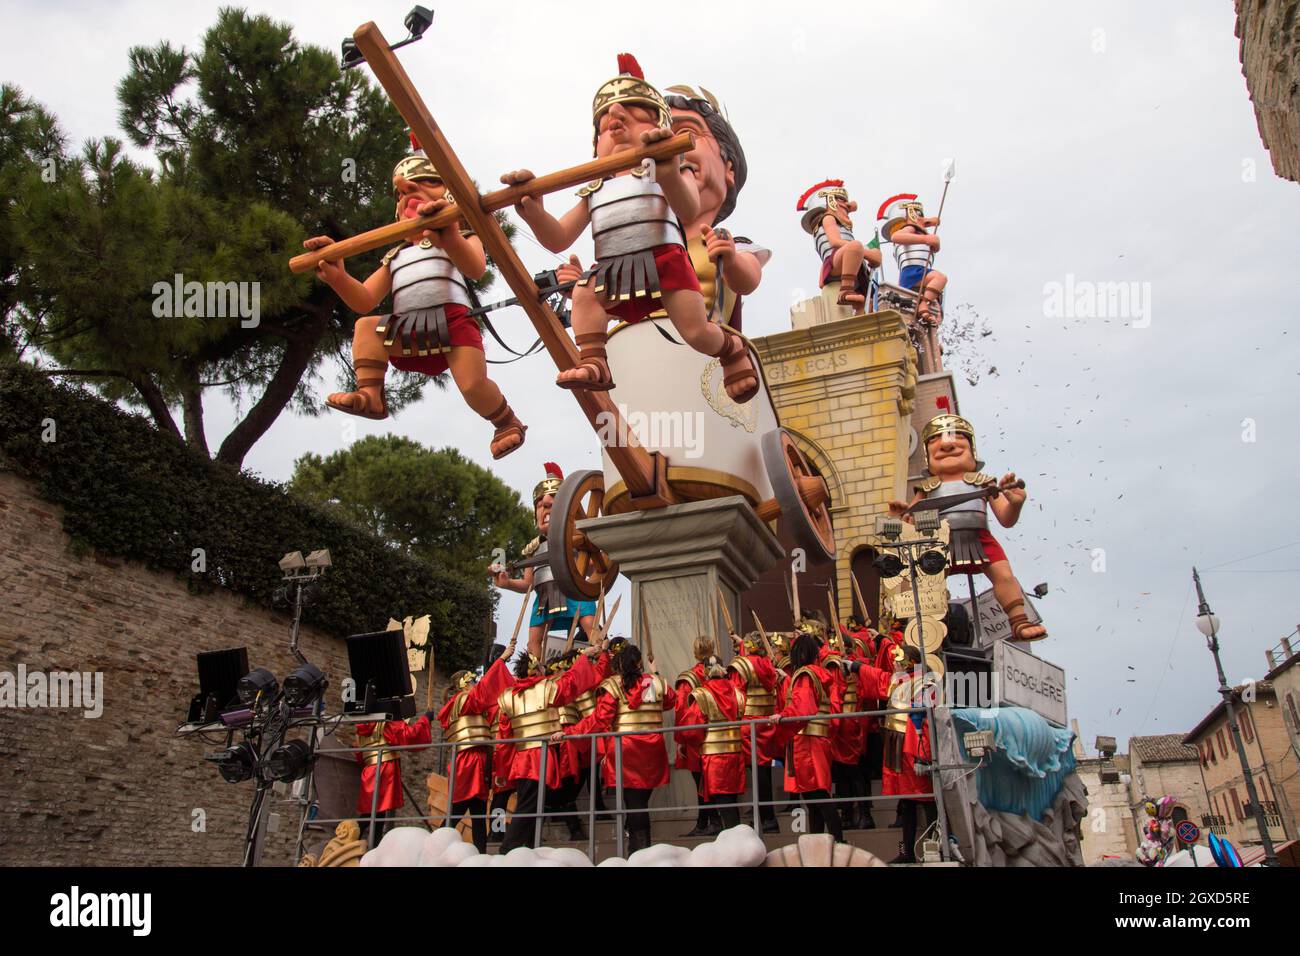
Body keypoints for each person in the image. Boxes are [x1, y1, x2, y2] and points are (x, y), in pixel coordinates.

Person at [500, 54, 758, 403]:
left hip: (665, 262)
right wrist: (534, 212)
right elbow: (558, 238)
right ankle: (594, 359)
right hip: (615, 269)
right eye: (605, 126)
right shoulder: (596, 189)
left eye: (636, 119)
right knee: (585, 292)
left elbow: (687, 207)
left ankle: (730, 349)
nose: (617, 123)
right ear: (596, 148)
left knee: (696, 331)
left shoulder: (669, 172)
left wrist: (667, 171)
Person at [304, 134, 524, 458]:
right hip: (408, 326)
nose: (407, 192)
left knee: (473, 386)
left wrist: (450, 236)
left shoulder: (462, 236)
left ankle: (506, 422)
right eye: (402, 193)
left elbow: (475, 268)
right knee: (367, 326)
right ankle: (371, 394)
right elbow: (364, 300)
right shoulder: (396, 256)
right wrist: (338, 276)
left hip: (453, 321)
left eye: (427, 183)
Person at [889, 399, 1047, 640]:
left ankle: (1018, 620)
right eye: (936, 440)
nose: (947, 444)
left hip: (980, 538)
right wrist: (899, 515)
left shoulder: (983, 483)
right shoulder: (927, 488)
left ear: (972, 449)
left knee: (1004, 576)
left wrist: (1015, 503)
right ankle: (928, 632)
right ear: (927, 455)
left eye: (957, 437)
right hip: (939, 542)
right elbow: (910, 522)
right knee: (927, 585)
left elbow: (1006, 519)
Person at [658, 84, 770, 334]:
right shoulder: (637, 252)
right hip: (636, 350)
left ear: (729, 169)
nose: (668, 150)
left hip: (703, 350)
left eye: (685, 132)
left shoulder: (732, 244)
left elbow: (748, 280)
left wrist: (731, 261)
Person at [556, 644, 674, 852]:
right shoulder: (655, 682)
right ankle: (640, 849)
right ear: (639, 663)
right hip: (652, 749)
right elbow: (670, 702)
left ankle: (639, 851)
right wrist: (655, 674)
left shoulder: (613, 685)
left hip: (626, 750)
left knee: (634, 803)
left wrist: (571, 732)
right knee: (640, 802)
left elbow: (599, 719)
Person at [496, 641, 608, 852]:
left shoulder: (507, 697)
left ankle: (526, 848)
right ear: (536, 670)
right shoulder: (546, 688)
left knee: (532, 803)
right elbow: (570, 683)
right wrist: (584, 657)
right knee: (529, 805)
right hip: (540, 756)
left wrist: (502, 768)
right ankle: (507, 850)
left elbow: (503, 738)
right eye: (540, 667)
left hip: (521, 758)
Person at [490, 462, 599, 659]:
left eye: (551, 503)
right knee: (533, 642)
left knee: (591, 627)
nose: (544, 509)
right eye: (539, 506)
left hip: (573, 589)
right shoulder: (533, 548)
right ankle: (538, 672)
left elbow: (595, 568)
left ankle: (601, 661)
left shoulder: (577, 538)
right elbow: (528, 584)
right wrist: (507, 583)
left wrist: (594, 562)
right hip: (543, 597)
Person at [852, 645, 938, 863]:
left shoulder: (925, 684)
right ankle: (906, 851)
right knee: (907, 802)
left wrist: (922, 755)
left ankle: (935, 850)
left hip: (915, 747)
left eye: (898, 660)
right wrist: (857, 667)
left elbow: (926, 723)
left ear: (909, 662)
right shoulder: (900, 680)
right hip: (898, 747)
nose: (894, 663)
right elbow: (879, 679)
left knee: (928, 800)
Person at [436, 634, 517, 852]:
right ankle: (436, 846)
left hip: (480, 758)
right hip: (468, 760)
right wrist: (501, 660)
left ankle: (481, 853)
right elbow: (483, 692)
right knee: (460, 809)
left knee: (479, 812)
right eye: (472, 681)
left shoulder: (470, 704)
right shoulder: (462, 700)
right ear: (463, 685)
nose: (476, 684)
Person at [761, 632, 844, 843]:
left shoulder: (805, 676)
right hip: (818, 738)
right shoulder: (820, 674)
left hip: (807, 742)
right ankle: (820, 841)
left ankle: (837, 840)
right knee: (815, 796)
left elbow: (802, 706)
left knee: (816, 795)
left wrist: (783, 716)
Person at [675, 657, 747, 830]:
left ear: (706, 672)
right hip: (736, 752)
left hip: (714, 755)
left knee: (722, 799)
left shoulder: (703, 694)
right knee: (731, 799)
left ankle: (733, 838)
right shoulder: (737, 691)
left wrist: (686, 742)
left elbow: (691, 728)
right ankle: (737, 836)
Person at [798, 180, 882, 308]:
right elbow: (835, 242)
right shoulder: (828, 218)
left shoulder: (843, 225)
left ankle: (863, 309)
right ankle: (846, 291)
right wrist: (865, 252)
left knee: (864, 302)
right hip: (835, 262)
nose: (847, 205)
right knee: (855, 246)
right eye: (841, 200)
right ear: (830, 200)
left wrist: (870, 256)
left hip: (851, 262)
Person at [354, 711, 432, 846]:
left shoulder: (363, 727)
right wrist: (425, 720)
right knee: (373, 813)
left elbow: (359, 754)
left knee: (377, 812)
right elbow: (408, 736)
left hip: (369, 770)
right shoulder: (387, 722)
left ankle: (373, 845)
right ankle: (353, 840)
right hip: (384, 768)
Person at [729, 631, 780, 833]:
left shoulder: (742, 665)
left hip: (749, 722)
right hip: (766, 722)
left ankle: (767, 818)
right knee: (763, 769)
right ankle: (768, 817)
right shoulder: (768, 663)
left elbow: (737, 695)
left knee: (757, 771)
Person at [674, 634, 722, 836]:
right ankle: (706, 821)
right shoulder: (721, 672)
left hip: (696, 735)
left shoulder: (689, 679)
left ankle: (710, 821)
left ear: (695, 653)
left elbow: (681, 709)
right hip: (719, 733)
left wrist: (680, 739)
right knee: (710, 780)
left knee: (701, 781)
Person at [878, 192, 946, 323]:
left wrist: (933, 242)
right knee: (940, 278)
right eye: (919, 214)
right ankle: (924, 304)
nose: (923, 218)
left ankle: (925, 311)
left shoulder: (919, 233)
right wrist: (927, 239)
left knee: (936, 298)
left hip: (919, 272)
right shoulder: (910, 228)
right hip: (913, 272)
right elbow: (896, 237)